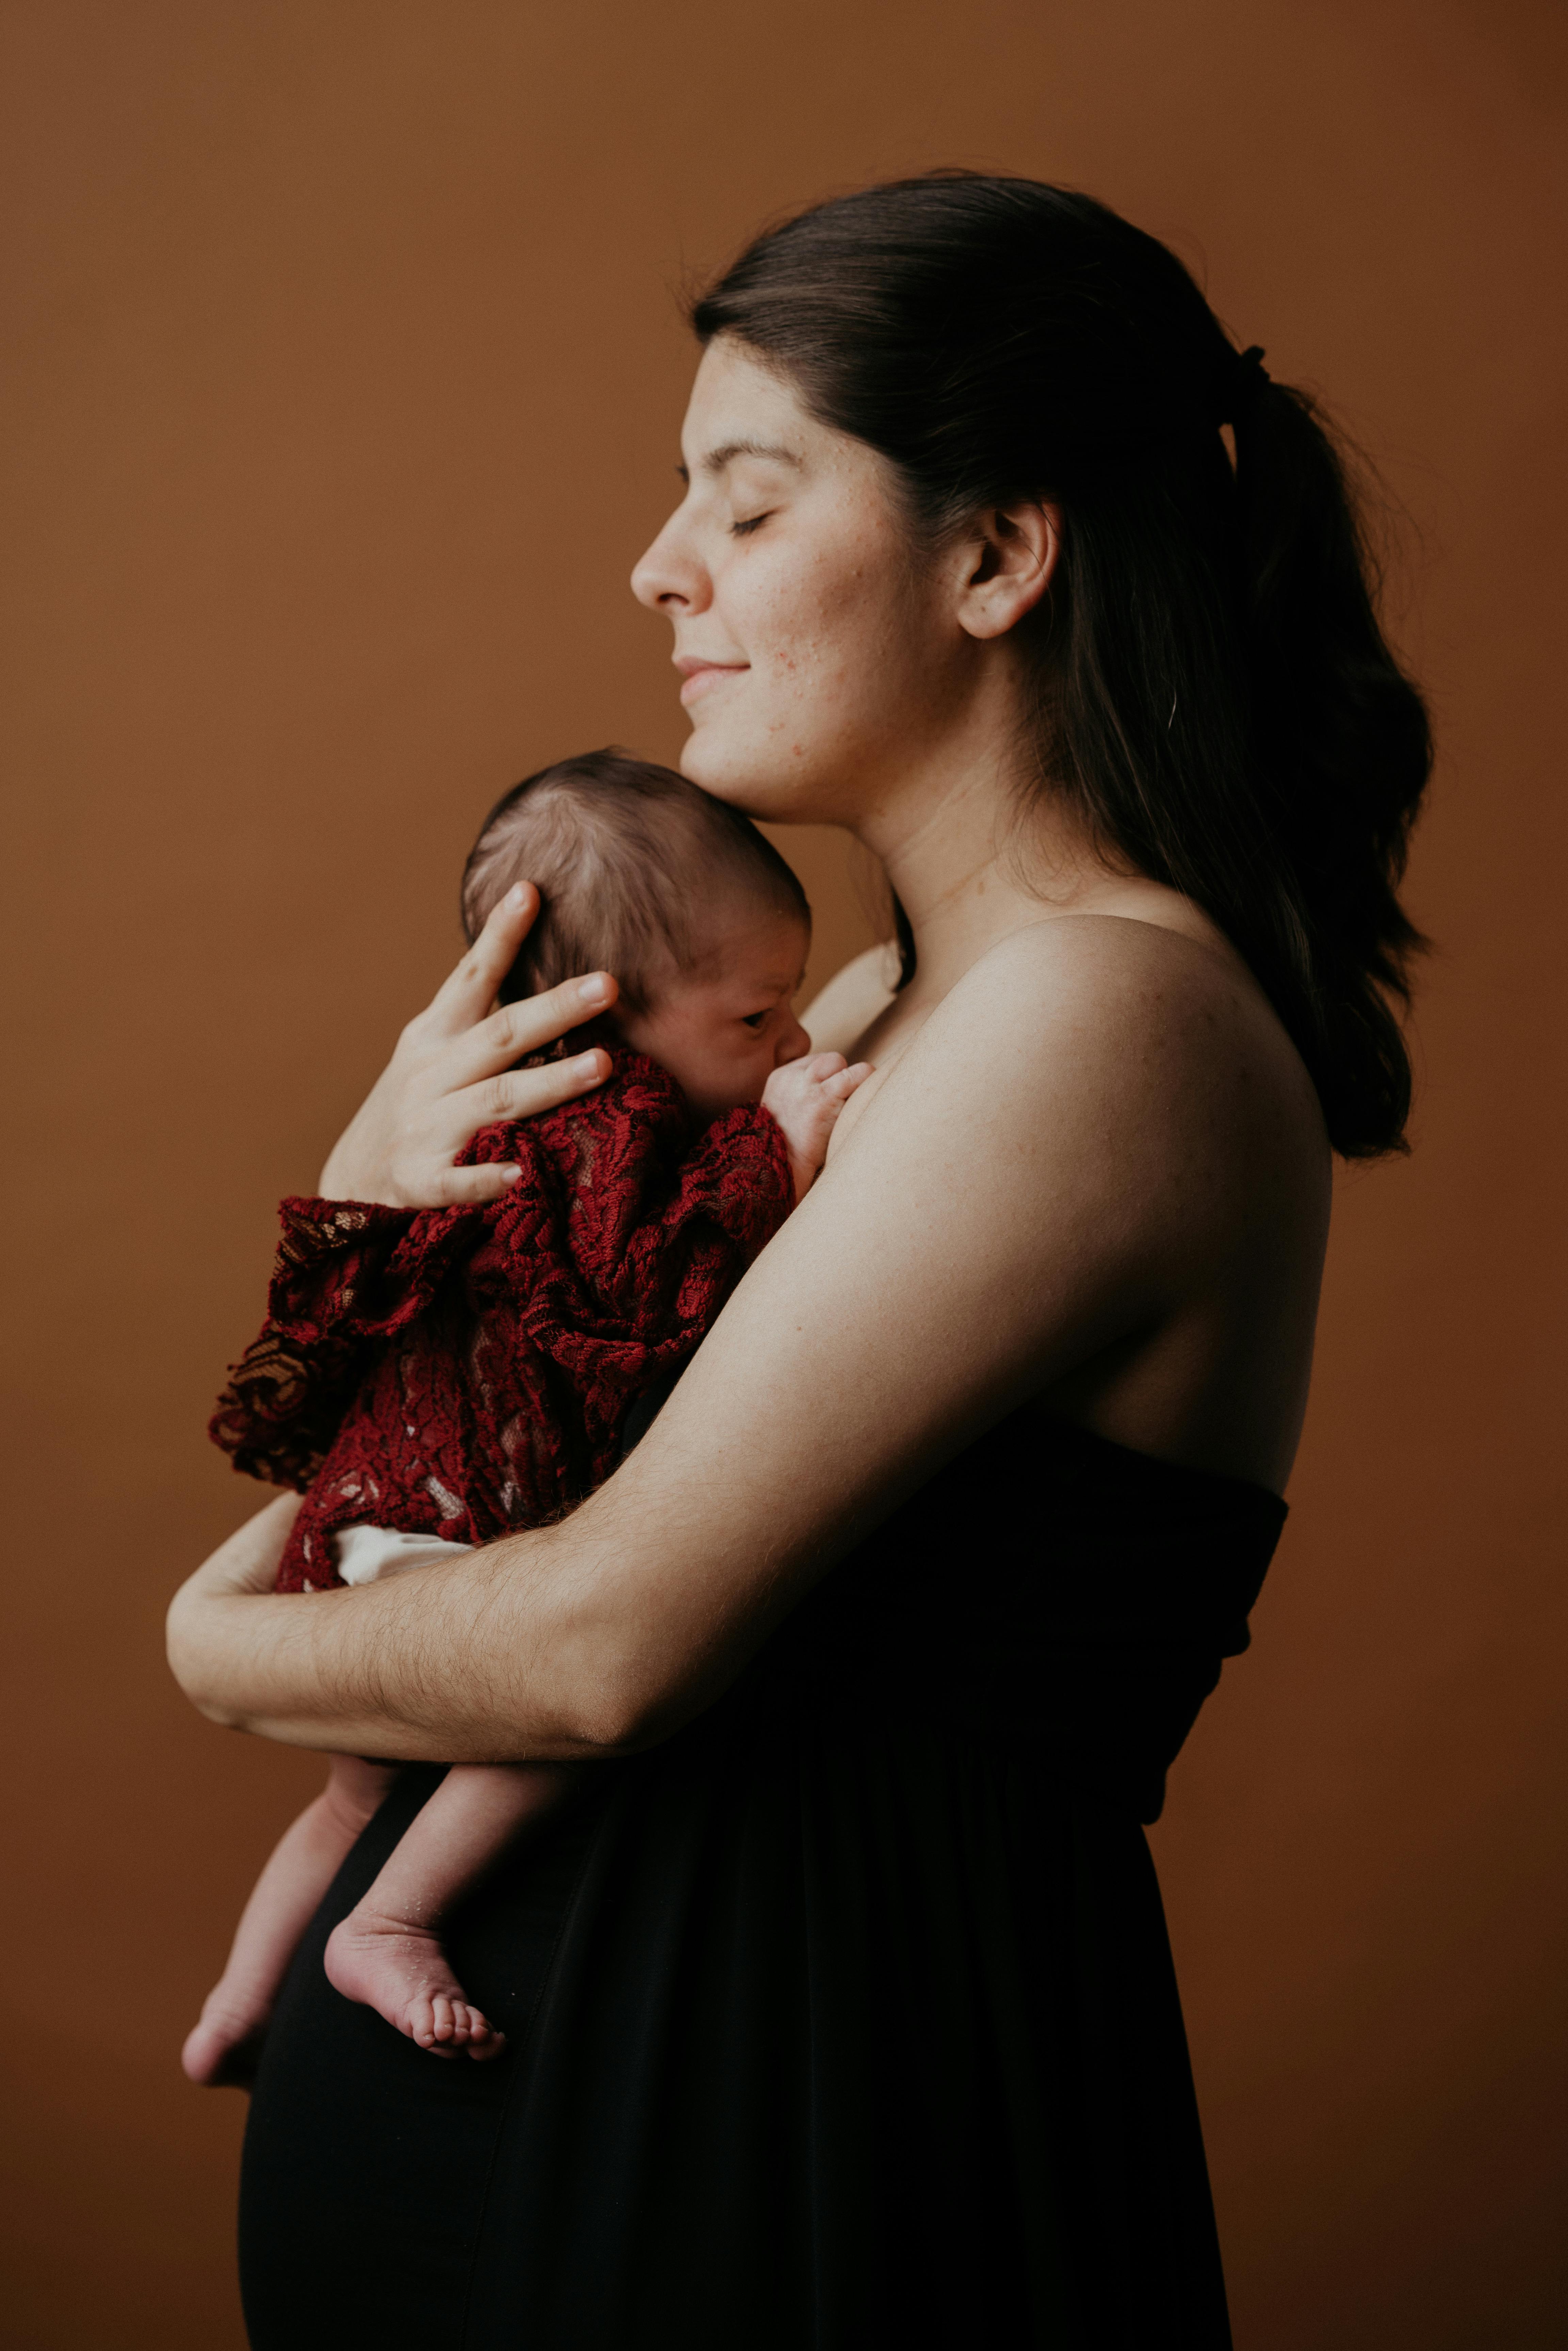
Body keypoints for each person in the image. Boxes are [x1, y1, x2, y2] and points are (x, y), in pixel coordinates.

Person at [168, 174, 1431, 2348]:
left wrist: (208, 1638)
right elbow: (502, 1474)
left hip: (790, 2145)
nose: (662, 569)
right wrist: (381, 1217)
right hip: (610, 2133)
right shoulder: (853, 1028)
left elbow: (594, 1640)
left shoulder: (1096, 1018)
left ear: (997, 554)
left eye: (742, 507)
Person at [181, 750, 868, 2082]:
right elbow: (649, 1300)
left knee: (351, 1795)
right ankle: (391, 1920)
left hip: (370, 1524)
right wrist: (771, 1153)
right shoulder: (597, 1132)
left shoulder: (547, 1118)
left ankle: (241, 2000)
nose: (790, 1043)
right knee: (553, 1723)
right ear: (598, 1032)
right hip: (458, 1537)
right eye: (753, 1021)